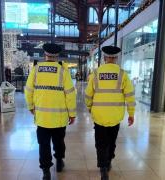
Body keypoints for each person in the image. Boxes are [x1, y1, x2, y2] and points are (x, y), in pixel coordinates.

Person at [25, 43, 76, 180]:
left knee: (43, 144)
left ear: (44, 55)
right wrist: (72, 114)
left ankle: (46, 171)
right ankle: (59, 162)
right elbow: (70, 94)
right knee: (59, 141)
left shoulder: (36, 70)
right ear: (57, 56)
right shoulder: (63, 71)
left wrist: (30, 106)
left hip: (42, 117)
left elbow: (28, 90)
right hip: (59, 117)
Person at [85, 46, 136, 180]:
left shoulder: (95, 73)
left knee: (100, 142)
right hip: (115, 116)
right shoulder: (123, 74)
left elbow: (88, 94)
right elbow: (130, 95)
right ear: (117, 58)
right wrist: (131, 114)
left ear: (104, 58)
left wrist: (89, 107)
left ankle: (102, 168)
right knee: (111, 141)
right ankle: (108, 163)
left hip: (99, 116)